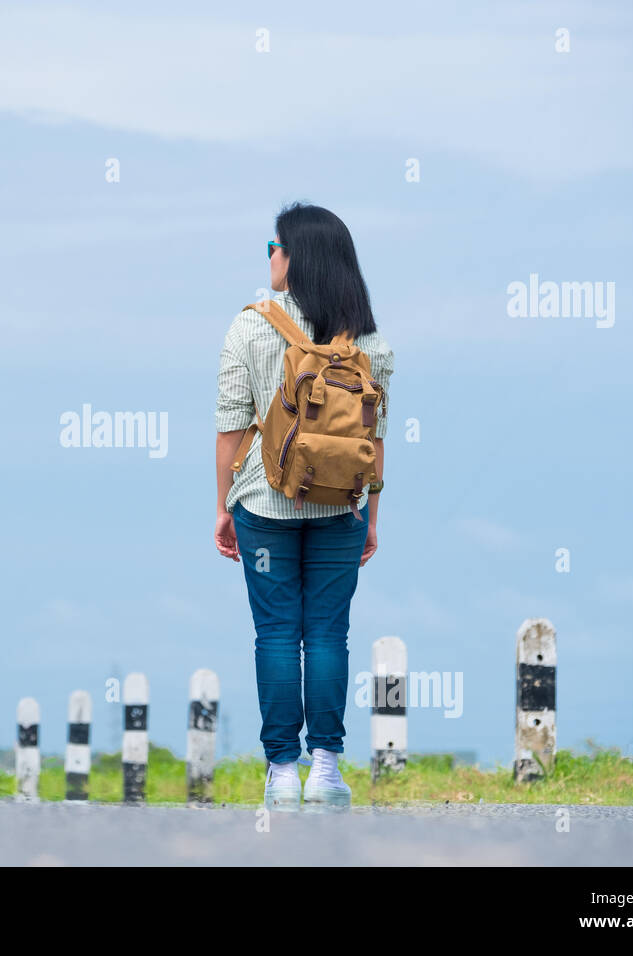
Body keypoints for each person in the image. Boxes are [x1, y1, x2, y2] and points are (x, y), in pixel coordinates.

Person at [214, 201, 394, 810]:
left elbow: (230, 429)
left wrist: (222, 506)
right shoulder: (371, 341)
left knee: (275, 634)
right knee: (327, 634)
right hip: (342, 507)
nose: (270, 256)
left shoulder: (250, 326)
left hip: (264, 505)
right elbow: (374, 442)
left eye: (275, 247)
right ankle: (326, 767)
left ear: (297, 258)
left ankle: (281, 773)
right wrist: (370, 516)